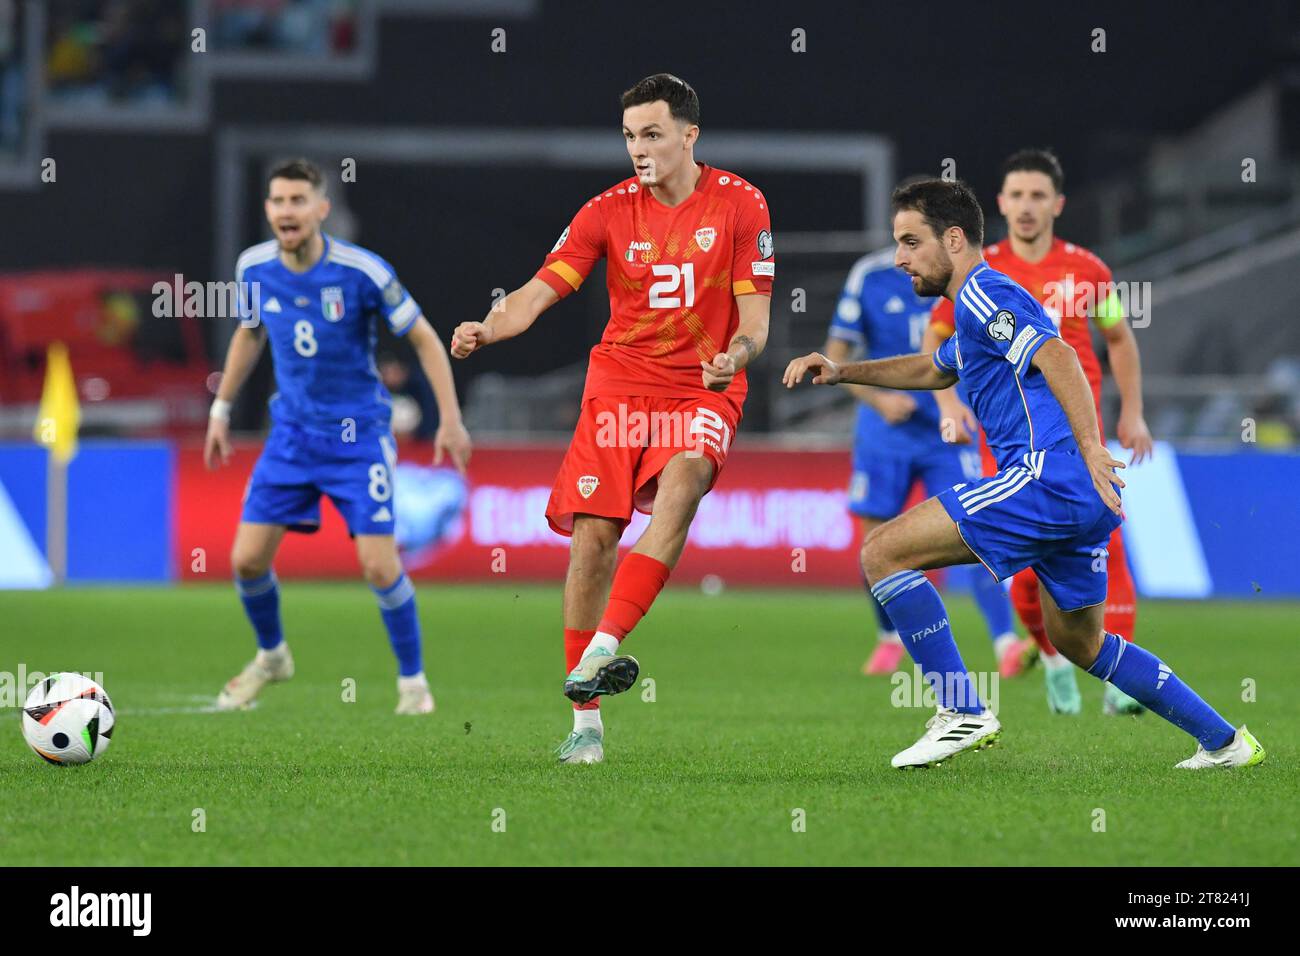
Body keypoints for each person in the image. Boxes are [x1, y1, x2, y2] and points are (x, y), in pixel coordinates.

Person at [783, 179, 1263, 770]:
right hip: (1078, 492)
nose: (901, 258)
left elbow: (1058, 355)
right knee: (1080, 642)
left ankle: (963, 711)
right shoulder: (972, 313)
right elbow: (933, 371)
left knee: (882, 551)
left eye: (911, 242)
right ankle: (1225, 742)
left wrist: (1090, 446)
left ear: (954, 239)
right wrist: (841, 371)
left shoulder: (985, 293)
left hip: (1048, 476)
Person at [451, 74, 773, 764]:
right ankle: (586, 727)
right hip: (620, 388)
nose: (638, 148)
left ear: (689, 135)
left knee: (685, 481)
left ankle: (602, 647)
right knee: (594, 538)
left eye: (652, 133)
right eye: (629, 135)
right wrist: (490, 326)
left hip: (701, 387)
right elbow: (541, 290)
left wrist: (735, 356)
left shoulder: (742, 205)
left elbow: (756, 323)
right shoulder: (606, 211)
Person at [204, 158, 472, 715]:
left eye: (298, 201)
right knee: (246, 561)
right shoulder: (253, 267)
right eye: (277, 201)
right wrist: (221, 409)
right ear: (268, 211)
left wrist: (449, 417)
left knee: (378, 565)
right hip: (292, 437)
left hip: (358, 439)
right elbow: (249, 335)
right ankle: (273, 656)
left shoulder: (362, 271)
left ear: (321, 209)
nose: (287, 211)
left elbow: (423, 339)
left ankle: (413, 684)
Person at [926, 149, 1152, 716]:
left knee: (1109, 548)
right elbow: (938, 348)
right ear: (1000, 203)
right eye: (1016, 196)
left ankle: (1119, 680)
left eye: (1037, 195)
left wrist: (1134, 411)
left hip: (1079, 437)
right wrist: (949, 405)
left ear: (1057, 203)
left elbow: (1118, 338)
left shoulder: (1089, 271)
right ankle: (1053, 661)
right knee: (1023, 565)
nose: (1026, 206)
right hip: (1006, 436)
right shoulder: (981, 272)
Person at [824, 246, 1020, 678]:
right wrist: (878, 400)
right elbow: (835, 353)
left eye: (913, 238)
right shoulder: (869, 274)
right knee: (874, 541)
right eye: (901, 237)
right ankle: (889, 638)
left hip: (949, 428)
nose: (903, 249)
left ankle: (1006, 642)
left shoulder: (969, 277)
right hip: (884, 434)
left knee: (979, 529)